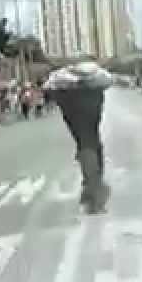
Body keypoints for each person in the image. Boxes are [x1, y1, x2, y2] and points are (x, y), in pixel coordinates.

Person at [45, 61, 114, 214]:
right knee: (92, 146)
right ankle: (94, 195)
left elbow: (51, 91)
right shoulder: (94, 90)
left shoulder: (64, 92)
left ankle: (91, 191)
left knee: (86, 146)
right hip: (90, 120)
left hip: (76, 119)